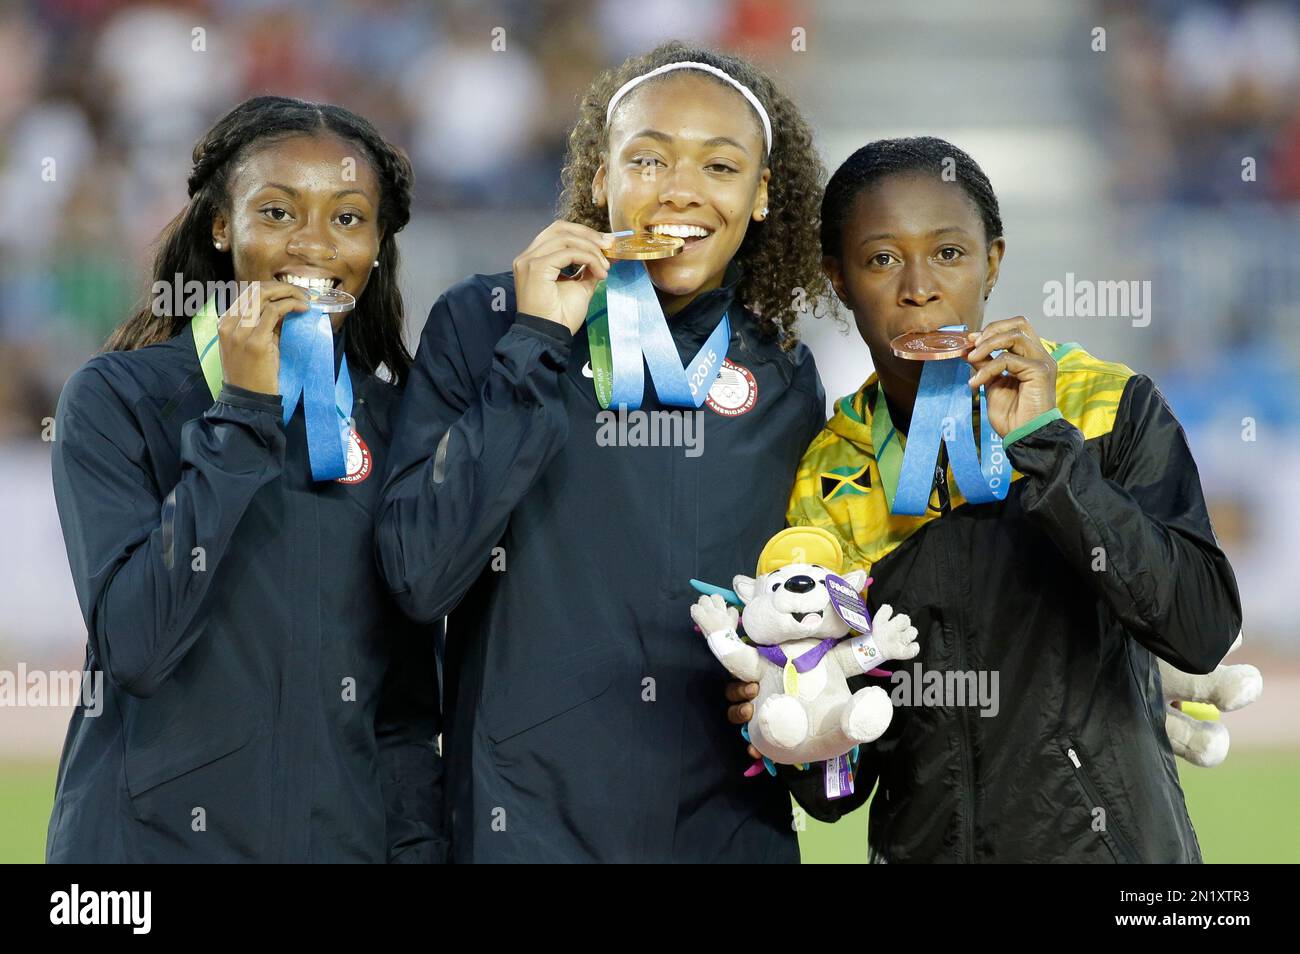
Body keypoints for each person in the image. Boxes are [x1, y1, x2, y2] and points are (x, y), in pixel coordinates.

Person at [376, 43, 831, 862]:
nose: (681, 190)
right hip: (528, 829)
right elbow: (418, 574)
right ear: (599, 177)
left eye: (720, 167)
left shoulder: (784, 374)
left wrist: (788, 679)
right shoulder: (484, 324)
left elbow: (797, 606)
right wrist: (535, 341)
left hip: (725, 833)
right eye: (648, 158)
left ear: (762, 196)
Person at [737, 136, 1242, 862]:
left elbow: (1200, 627)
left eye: (949, 253)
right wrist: (791, 714)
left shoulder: (1105, 405)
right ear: (839, 280)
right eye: (881, 259)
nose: (920, 287)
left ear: (992, 263)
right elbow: (835, 795)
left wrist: (1045, 443)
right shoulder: (833, 469)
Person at [47, 96, 444, 863]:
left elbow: (401, 708)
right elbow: (136, 647)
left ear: (377, 246)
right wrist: (244, 413)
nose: (314, 244)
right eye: (277, 211)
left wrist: (416, 849)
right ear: (222, 228)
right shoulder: (116, 398)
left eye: (348, 219)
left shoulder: (397, 424)